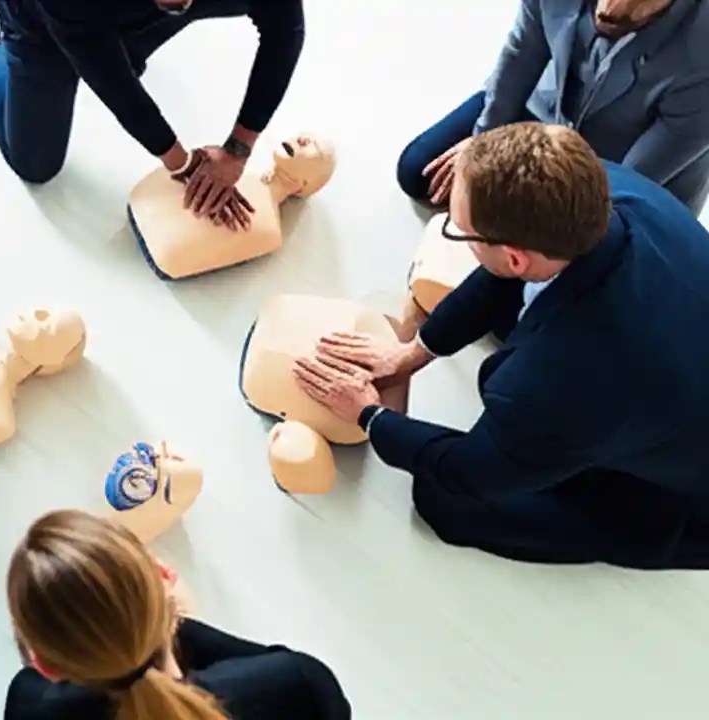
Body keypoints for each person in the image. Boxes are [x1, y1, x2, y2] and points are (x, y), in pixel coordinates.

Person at [295, 122, 709, 569]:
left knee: (444, 499)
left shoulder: (560, 379)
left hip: (683, 493)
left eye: (460, 231)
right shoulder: (600, 188)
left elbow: (466, 473)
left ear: (515, 255)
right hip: (671, 368)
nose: (455, 235)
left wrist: (369, 415)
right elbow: (501, 278)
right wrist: (414, 351)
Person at [0, 0, 306, 226]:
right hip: (38, 16)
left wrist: (238, 149)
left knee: (128, 53)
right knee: (35, 164)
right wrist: (180, 161)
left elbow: (285, 27)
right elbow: (102, 68)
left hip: (102, 15)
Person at [4, 509, 351, 719]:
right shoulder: (293, 686)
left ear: (45, 665)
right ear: (164, 573)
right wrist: (173, 620)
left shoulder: (31, 705)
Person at [397, 0, 709, 215]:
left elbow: (630, 182)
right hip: (545, 110)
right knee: (418, 171)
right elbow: (522, 52)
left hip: (617, 165)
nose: (609, 9)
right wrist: (485, 142)